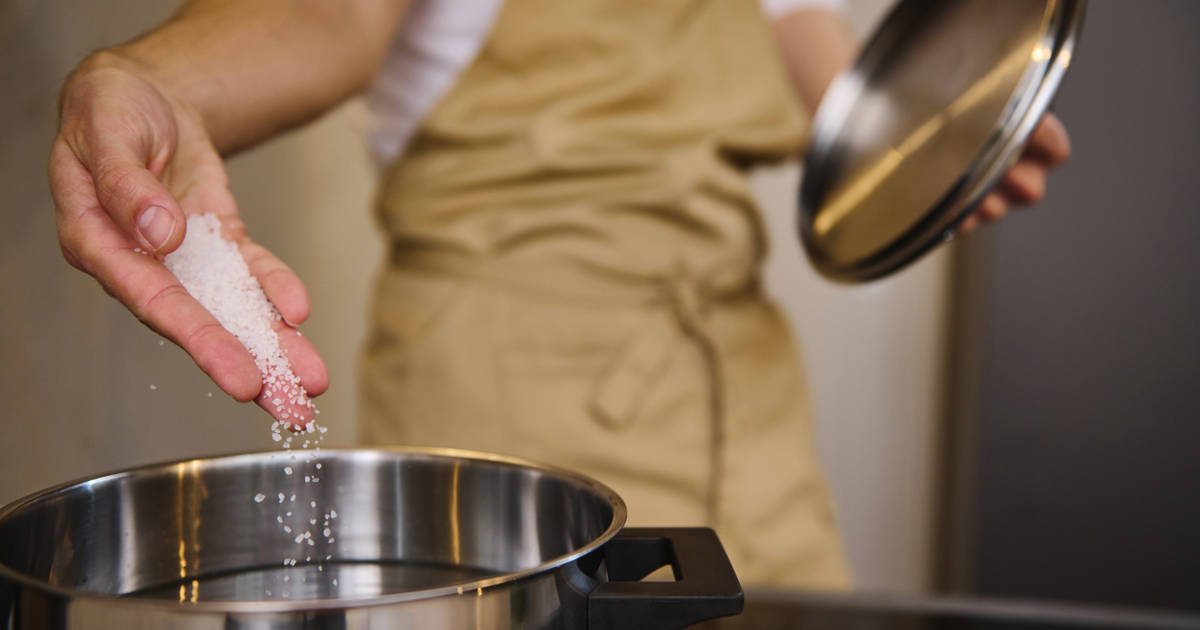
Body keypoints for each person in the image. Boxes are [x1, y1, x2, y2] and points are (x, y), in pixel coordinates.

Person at [49, 0, 1070, 589]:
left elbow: (842, 93)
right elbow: (326, 14)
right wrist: (160, 78)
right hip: (516, 399)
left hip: (747, 401)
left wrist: (949, 134)